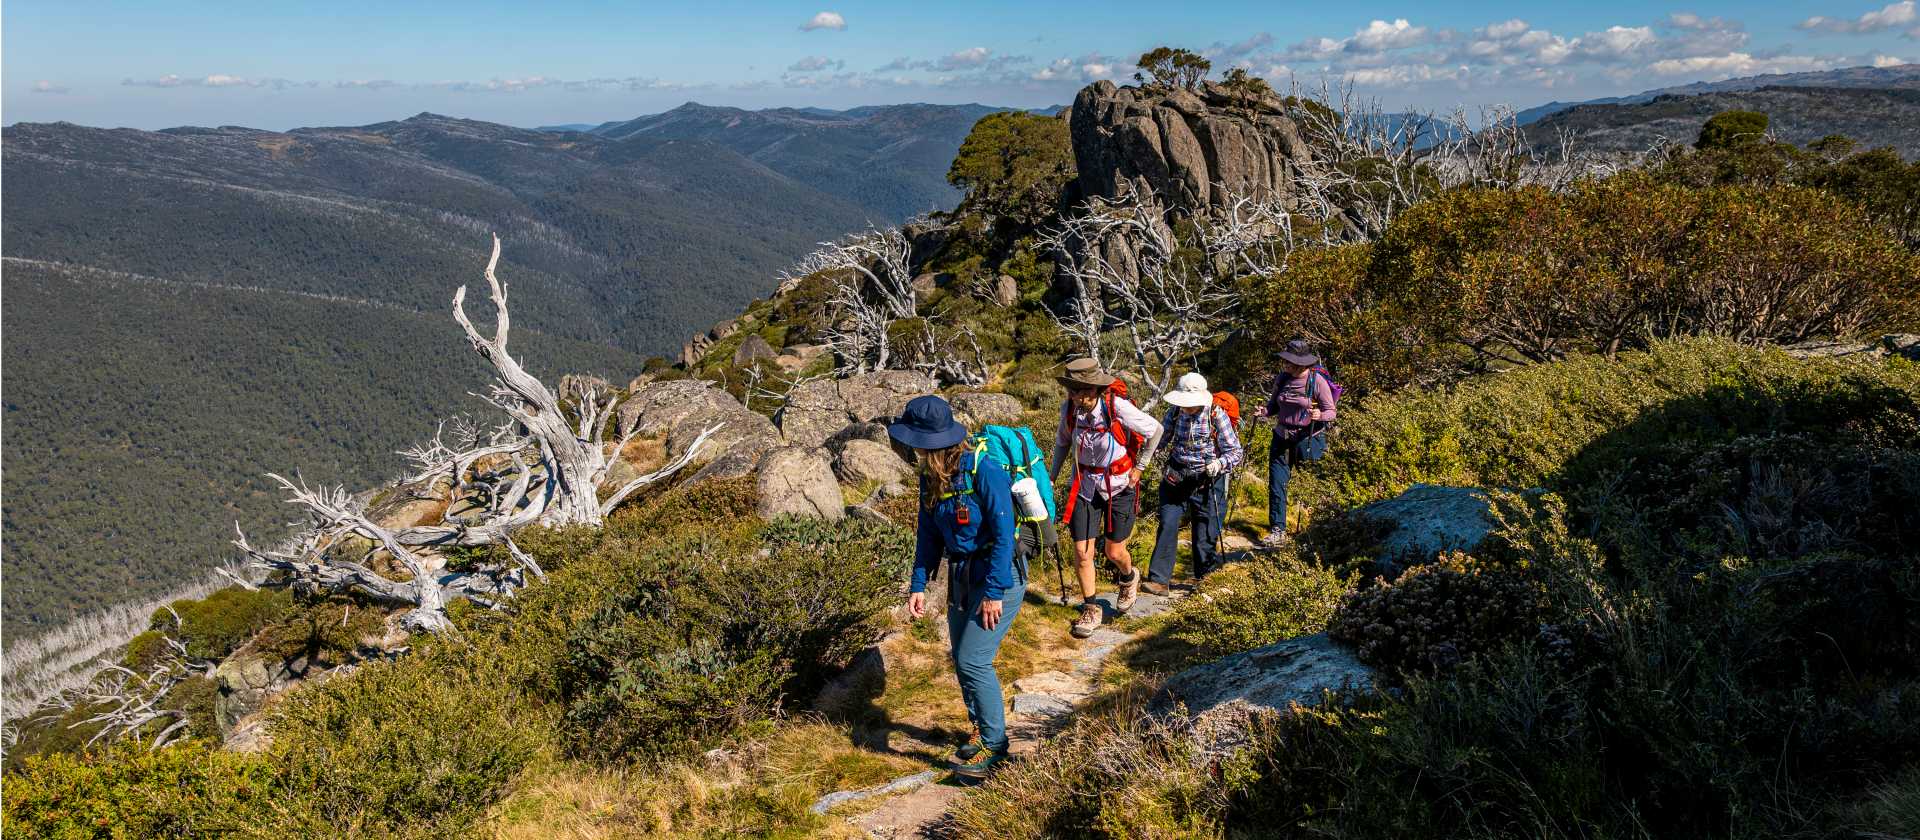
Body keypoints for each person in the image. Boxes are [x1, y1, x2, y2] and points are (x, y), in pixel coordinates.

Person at [891, 395, 1026, 779]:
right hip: (963, 576)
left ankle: (996, 747)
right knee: (962, 658)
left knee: (973, 660)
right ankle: (981, 727)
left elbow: (1004, 533)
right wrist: (919, 583)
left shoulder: (984, 470)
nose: (911, 446)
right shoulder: (929, 477)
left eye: (914, 439)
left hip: (1000, 575)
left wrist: (996, 591)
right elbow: (928, 535)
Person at [1050, 358, 1163, 639]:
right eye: (1074, 391)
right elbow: (1063, 443)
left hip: (1120, 485)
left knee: (1113, 552)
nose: (1078, 397)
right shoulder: (1069, 411)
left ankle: (1128, 576)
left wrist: (1140, 468)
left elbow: (1155, 431)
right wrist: (1050, 478)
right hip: (1085, 486)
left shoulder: (1115, 407)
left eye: (1084, 391)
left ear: (1096, 390)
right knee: (1082, 552)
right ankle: (1091, 607)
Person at [1144, 371, 1243, 594]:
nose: (1186, 407)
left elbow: (1235, 452)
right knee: (1168, 524)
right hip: (1177, 476)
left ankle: (1205, 580)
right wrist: (1143, 455)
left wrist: (1219, 464)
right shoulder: (1175, 412)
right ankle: (1159, 580)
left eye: (1189, 404)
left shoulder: (1216, 415)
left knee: (1205, 531)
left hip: (1207, 480)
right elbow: (1161, 438)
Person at [1254, 340, 1337, 548]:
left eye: (1289, 361)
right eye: (1285, 360)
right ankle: (1277, 531)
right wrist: (1264, 412)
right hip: (1281, 436)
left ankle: (1318, 529)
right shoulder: (1282, 379)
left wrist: (1319, 415)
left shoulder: (1316, 382)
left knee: (1311, 485)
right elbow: (1273, 406)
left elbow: (1331, 412)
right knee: (1277, 483)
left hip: (1309, 438)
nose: (1285, 364)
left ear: (1302, 364)